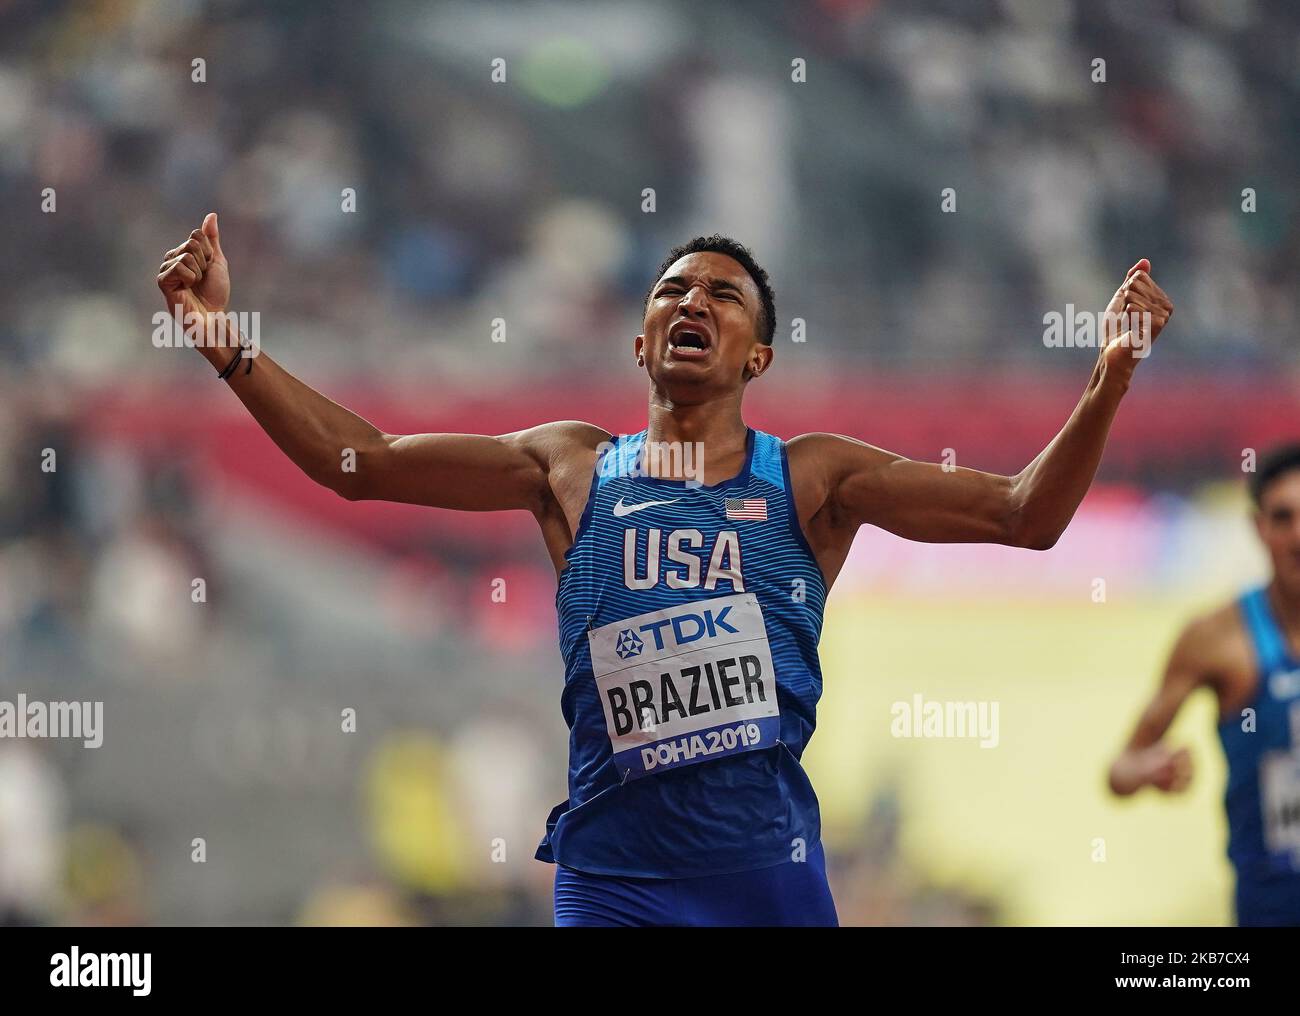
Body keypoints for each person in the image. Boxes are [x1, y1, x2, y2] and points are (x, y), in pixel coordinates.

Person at [158, 213, 1173, 926]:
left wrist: (1108, 377)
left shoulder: (812, 477)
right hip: (614, 880)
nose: (693, 300)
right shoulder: (568, 467)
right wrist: (222, 341)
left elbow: (1024, 515)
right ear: (641, 342)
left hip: (764, 876)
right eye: (672, 290)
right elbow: (361, 463)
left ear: (756, 356)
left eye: (724, 295)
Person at [1109, 445, 1300, 927]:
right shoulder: (1216, 639)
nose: (1299, 536)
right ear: (1258, 528)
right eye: (1283, 518)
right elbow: (1119, 770)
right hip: (1271, 908)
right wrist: (1150, 769)